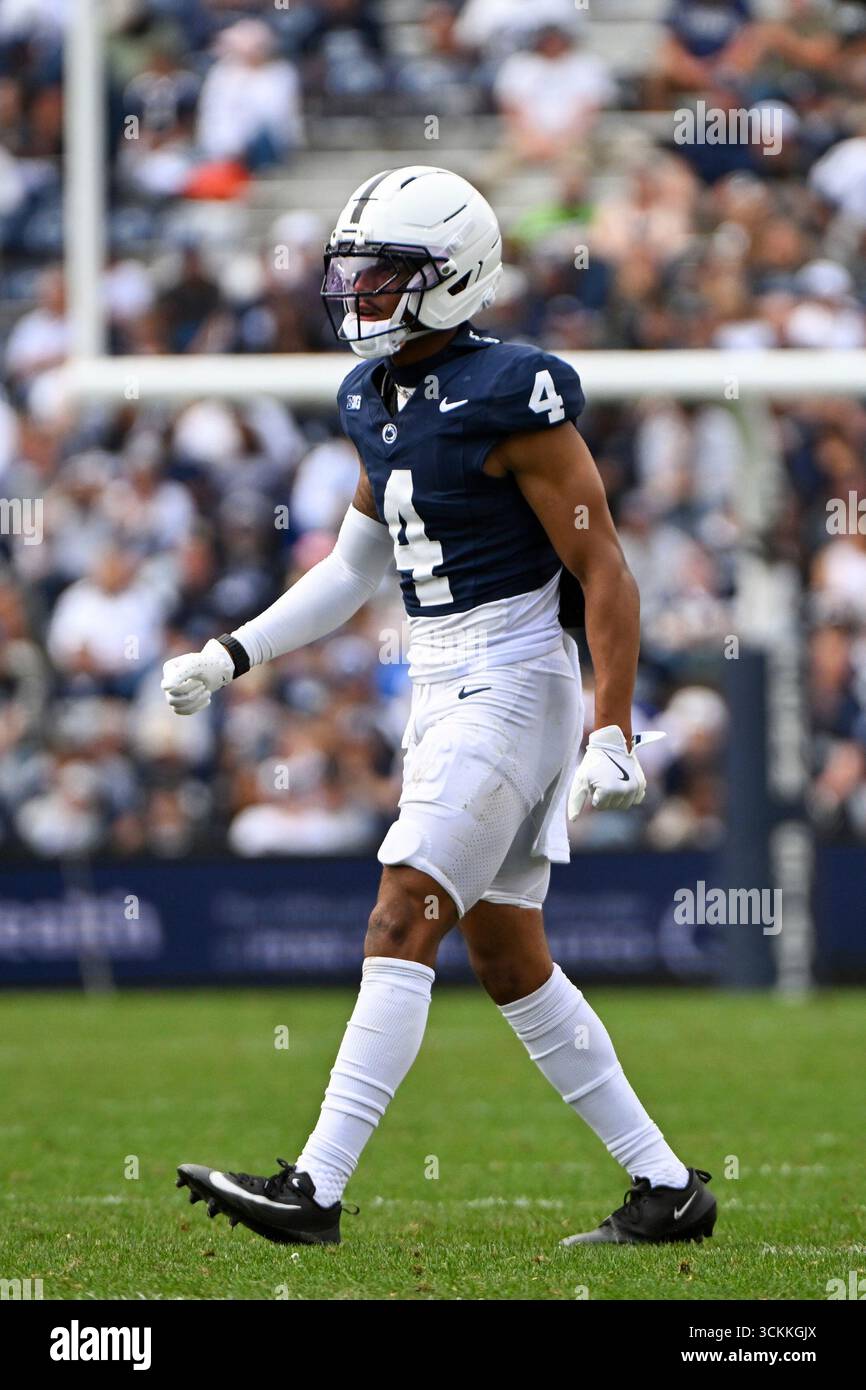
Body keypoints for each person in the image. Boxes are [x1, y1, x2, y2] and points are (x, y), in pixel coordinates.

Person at [165, 166, 716, 1248]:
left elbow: (601, 565)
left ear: (453, 278)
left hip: (514, 675)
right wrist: (235, 652)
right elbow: (351, 567)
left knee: (400, 906)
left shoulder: (514, 388)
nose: (360, 291)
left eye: (386, 273)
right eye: (355, 270)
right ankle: (666, 1189)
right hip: (440, 679)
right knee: (507, 954)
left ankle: (312, 1189)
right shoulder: (368, 398)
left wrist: (614, 721)